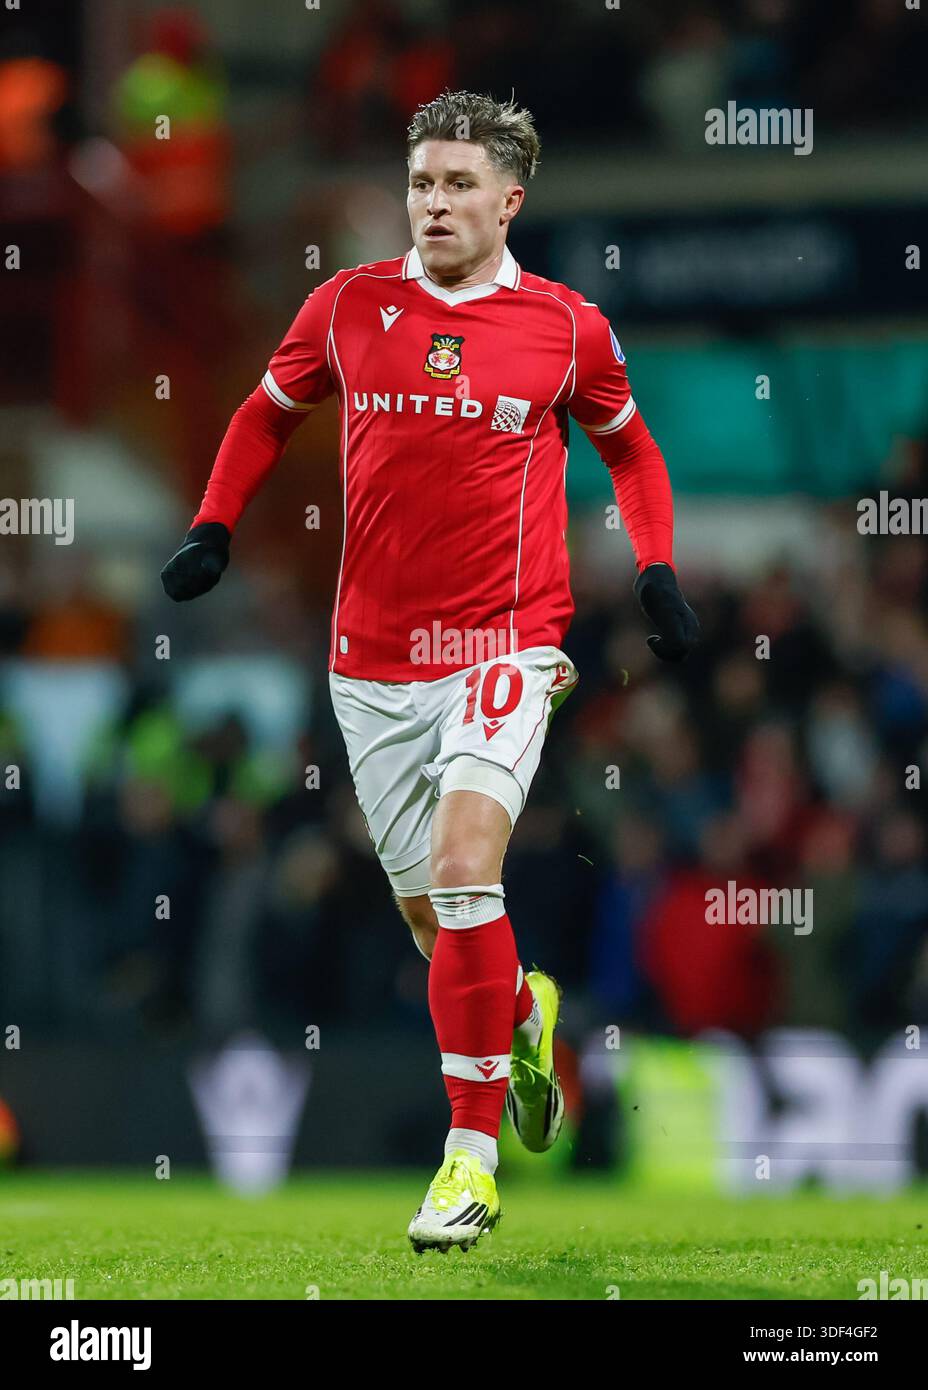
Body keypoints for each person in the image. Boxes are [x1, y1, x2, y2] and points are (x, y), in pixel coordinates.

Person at [161, 90, 699, 1252]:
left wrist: (654, 570)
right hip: (372, 665)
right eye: (421, 183)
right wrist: (214, 524)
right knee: (432, 916)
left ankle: (465, 1162)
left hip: (506, 643)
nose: (436, 203)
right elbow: (264, 414)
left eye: (459, 184)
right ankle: (522, 1014)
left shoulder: (566, 327)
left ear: (511, 198)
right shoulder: (348, 307)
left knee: (465, 876)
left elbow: (632, 450)